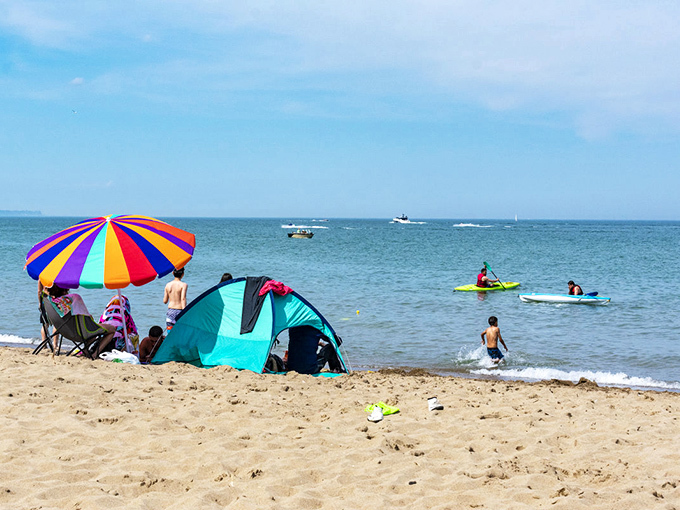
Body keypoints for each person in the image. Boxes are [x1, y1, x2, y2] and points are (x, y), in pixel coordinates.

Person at [46, 284, 116, 356]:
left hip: (65, 332)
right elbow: (86, 319)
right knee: (111, 329)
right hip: (79, 334)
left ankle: (85, 350)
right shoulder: (74, 298)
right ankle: (94, 354)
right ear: (65, 289)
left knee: (92, 330)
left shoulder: (52, 302)